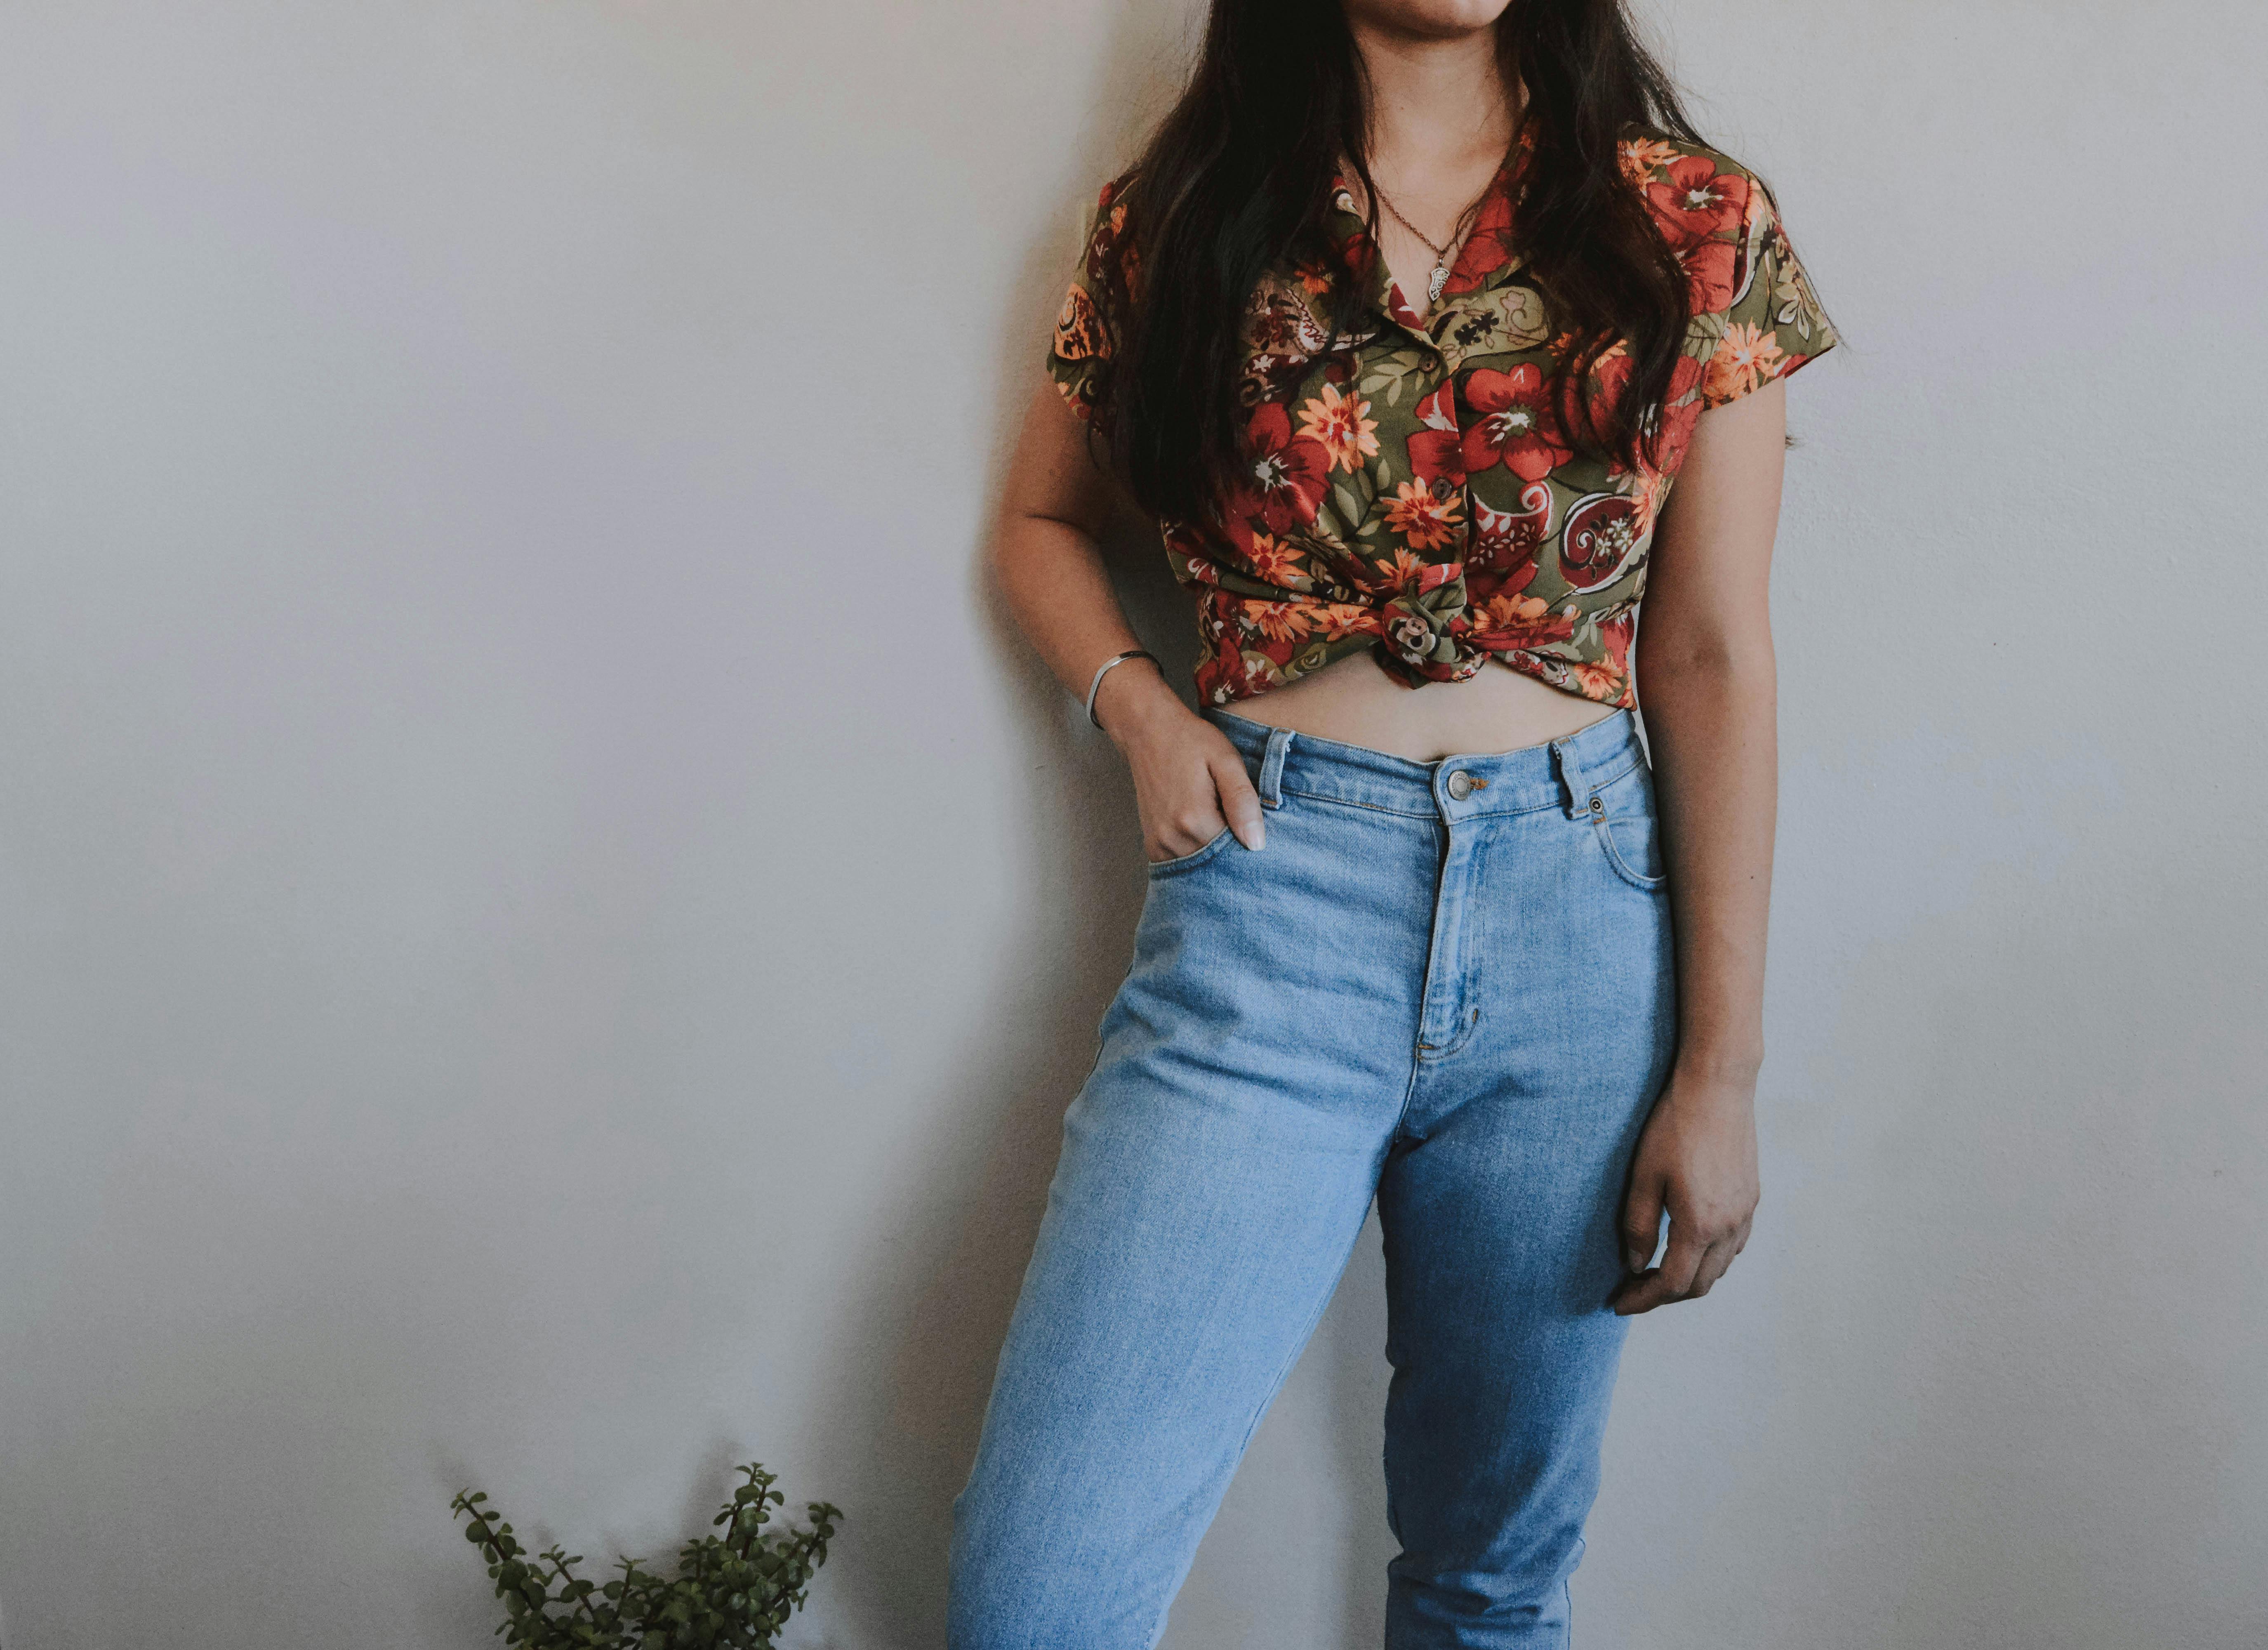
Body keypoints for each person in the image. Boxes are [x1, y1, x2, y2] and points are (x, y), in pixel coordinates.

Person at [950, 0, 1838, 1643]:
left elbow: (1711, 655)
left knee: (1488, 1583)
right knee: (1036, 1599)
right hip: (1270, 898)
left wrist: (1720, 1074)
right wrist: (1138, 707)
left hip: (1583, 917)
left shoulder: (1691, 220)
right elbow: (1035, 520)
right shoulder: (1191, 215)